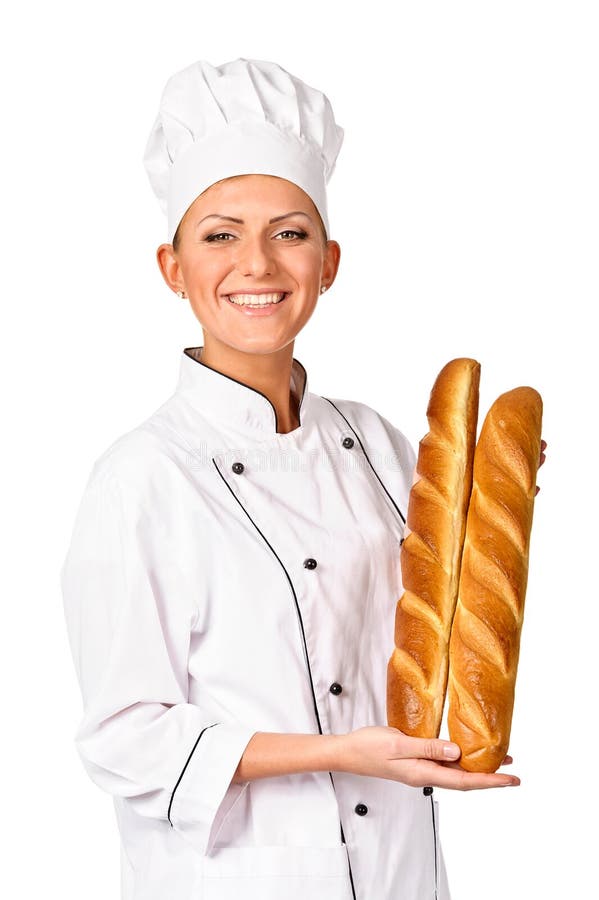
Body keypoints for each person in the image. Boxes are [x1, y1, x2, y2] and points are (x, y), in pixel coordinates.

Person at [60, 57, 539, 900]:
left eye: (289, 232)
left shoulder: (383, 442)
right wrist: (338, 753)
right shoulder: (140, 477)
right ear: (172, 269)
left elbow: (440, 624)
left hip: (402, 874)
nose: (258, 264)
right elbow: (125, 739)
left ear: (329, 261)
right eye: (219, 235)